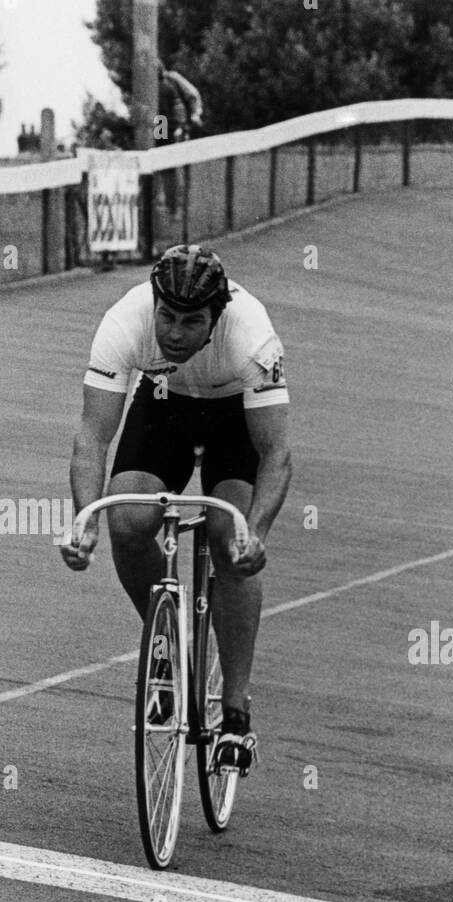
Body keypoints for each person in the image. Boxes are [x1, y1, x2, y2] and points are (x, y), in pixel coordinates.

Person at [61, 244, 292, 774]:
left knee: (226, 539)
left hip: (234, 418)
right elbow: (92, 438)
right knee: (130, 520)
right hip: (163, 406)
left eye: (191, 321)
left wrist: (254, 532)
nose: (174, 332)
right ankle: (167, 641)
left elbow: (277, 452)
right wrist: (85, 519)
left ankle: (235, 713)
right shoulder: (125, 321)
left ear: (218, 315)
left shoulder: (252, 336)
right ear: (153, 303)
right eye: (167, 316)